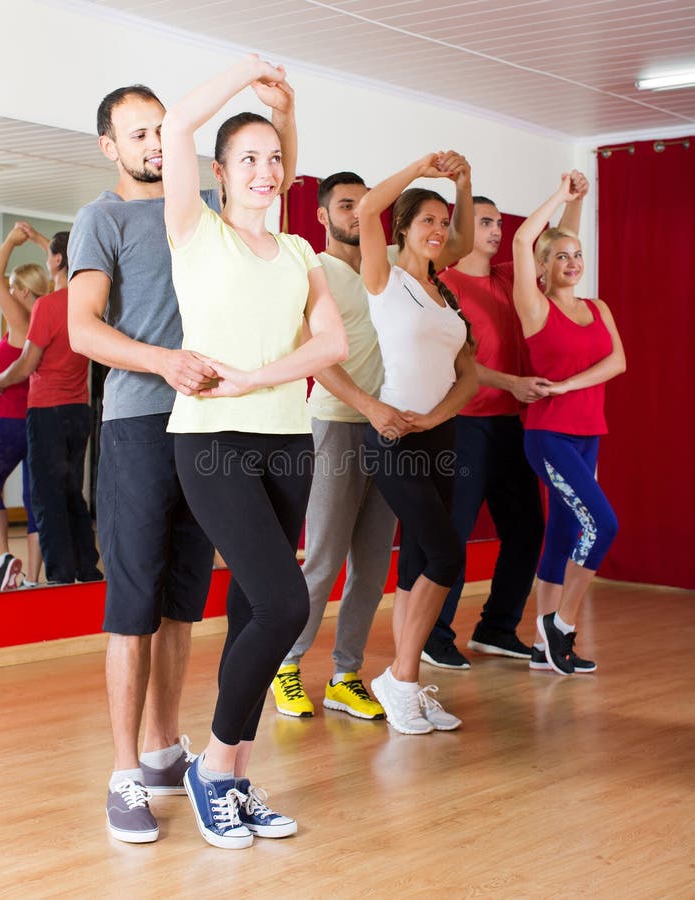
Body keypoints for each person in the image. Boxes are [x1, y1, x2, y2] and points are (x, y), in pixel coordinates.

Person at [67, 80, 264, 844]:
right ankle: (123, 773)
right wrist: (165, 361)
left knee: (184, 601)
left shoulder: (202, 216)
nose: (155, 144)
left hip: (208, 429)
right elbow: (85, 329)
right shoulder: (101, 218)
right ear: (110, 146)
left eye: (162, 131)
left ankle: (161, 751)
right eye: (138, 134)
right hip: (140, 426)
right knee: (133, 603)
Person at [162, 55, 346, 849]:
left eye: (276, 158)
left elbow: (330, 341)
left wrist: (254, 380)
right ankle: (213, 769)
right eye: (249, 159)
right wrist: (243, 73)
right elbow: (175, 124)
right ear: (220, 172)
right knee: (285, 604)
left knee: (249, 611)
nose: (266, 171)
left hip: (286, 441)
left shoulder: (302, 253)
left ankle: (232, 776)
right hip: (208, 441)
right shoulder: (196, 234)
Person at [272, 166, 473, 720]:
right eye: (345, 206)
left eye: (364, 206)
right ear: (323, 215)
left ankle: (346, 673)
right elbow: (317, 361)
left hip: (394, 431)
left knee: (370, 564)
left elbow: (452, 242)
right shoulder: (316, 273)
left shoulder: (394, 270)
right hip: (339, 421)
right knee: (324, 555)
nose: (357, 214)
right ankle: (286, 665)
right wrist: (369, 407)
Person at [421, 178, 589, 670]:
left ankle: (496, 627)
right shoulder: (445, 284)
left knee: (526, 530)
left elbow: (559, 245)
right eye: (486, 222)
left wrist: (575, 200)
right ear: (463, 229)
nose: (496, 230)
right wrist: (511, 381)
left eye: (498, 222)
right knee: (454, 535)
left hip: (512, 426)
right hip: (464, 426)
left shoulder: (508, 278)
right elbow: (454, 359)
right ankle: (433, 635)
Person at [356, 154, 478, 735]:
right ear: (403, 226)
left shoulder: (445, 294)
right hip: (395, 437)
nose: (437, 231)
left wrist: (461, 183)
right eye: (426, 220)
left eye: (443, 221)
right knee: (450, 556)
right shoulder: (386, 279)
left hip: (438, 435)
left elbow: (469, 375)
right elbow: (367, 207)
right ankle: (402, 679)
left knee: (422, 564)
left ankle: (401, 682)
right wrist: (423, 166)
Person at [512, 173, 625, 675]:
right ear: (542, 267)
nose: (572, 263)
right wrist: (560, 195)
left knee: (561, 533)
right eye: (560, 256)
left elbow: (617, 363)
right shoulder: (534, 308)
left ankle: (543, 646)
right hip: (549, 435)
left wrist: (565, 386)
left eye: (577, 255)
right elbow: (521, 239)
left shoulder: (597, 308)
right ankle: (562, 623)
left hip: (587, 433)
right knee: (601, 524)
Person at [0, 229, 102, 586]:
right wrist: (42, 239)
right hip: (79, 413)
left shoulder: (47, 307)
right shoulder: (88, 302)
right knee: (71, 494)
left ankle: (61, 575)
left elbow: (26, 364)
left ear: (54, 260)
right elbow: (65, 256)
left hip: (48, 412)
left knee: (47, 497)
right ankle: (86, 567)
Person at [0, 227, 47, 590]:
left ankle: (4, 557)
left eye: (14, 288)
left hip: (9, 423)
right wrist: (40, 241)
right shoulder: (50, 314)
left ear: (21, 291)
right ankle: (31, 580)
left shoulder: (21, 320)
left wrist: (10, 241)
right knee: (32, 499)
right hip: (37, 422)